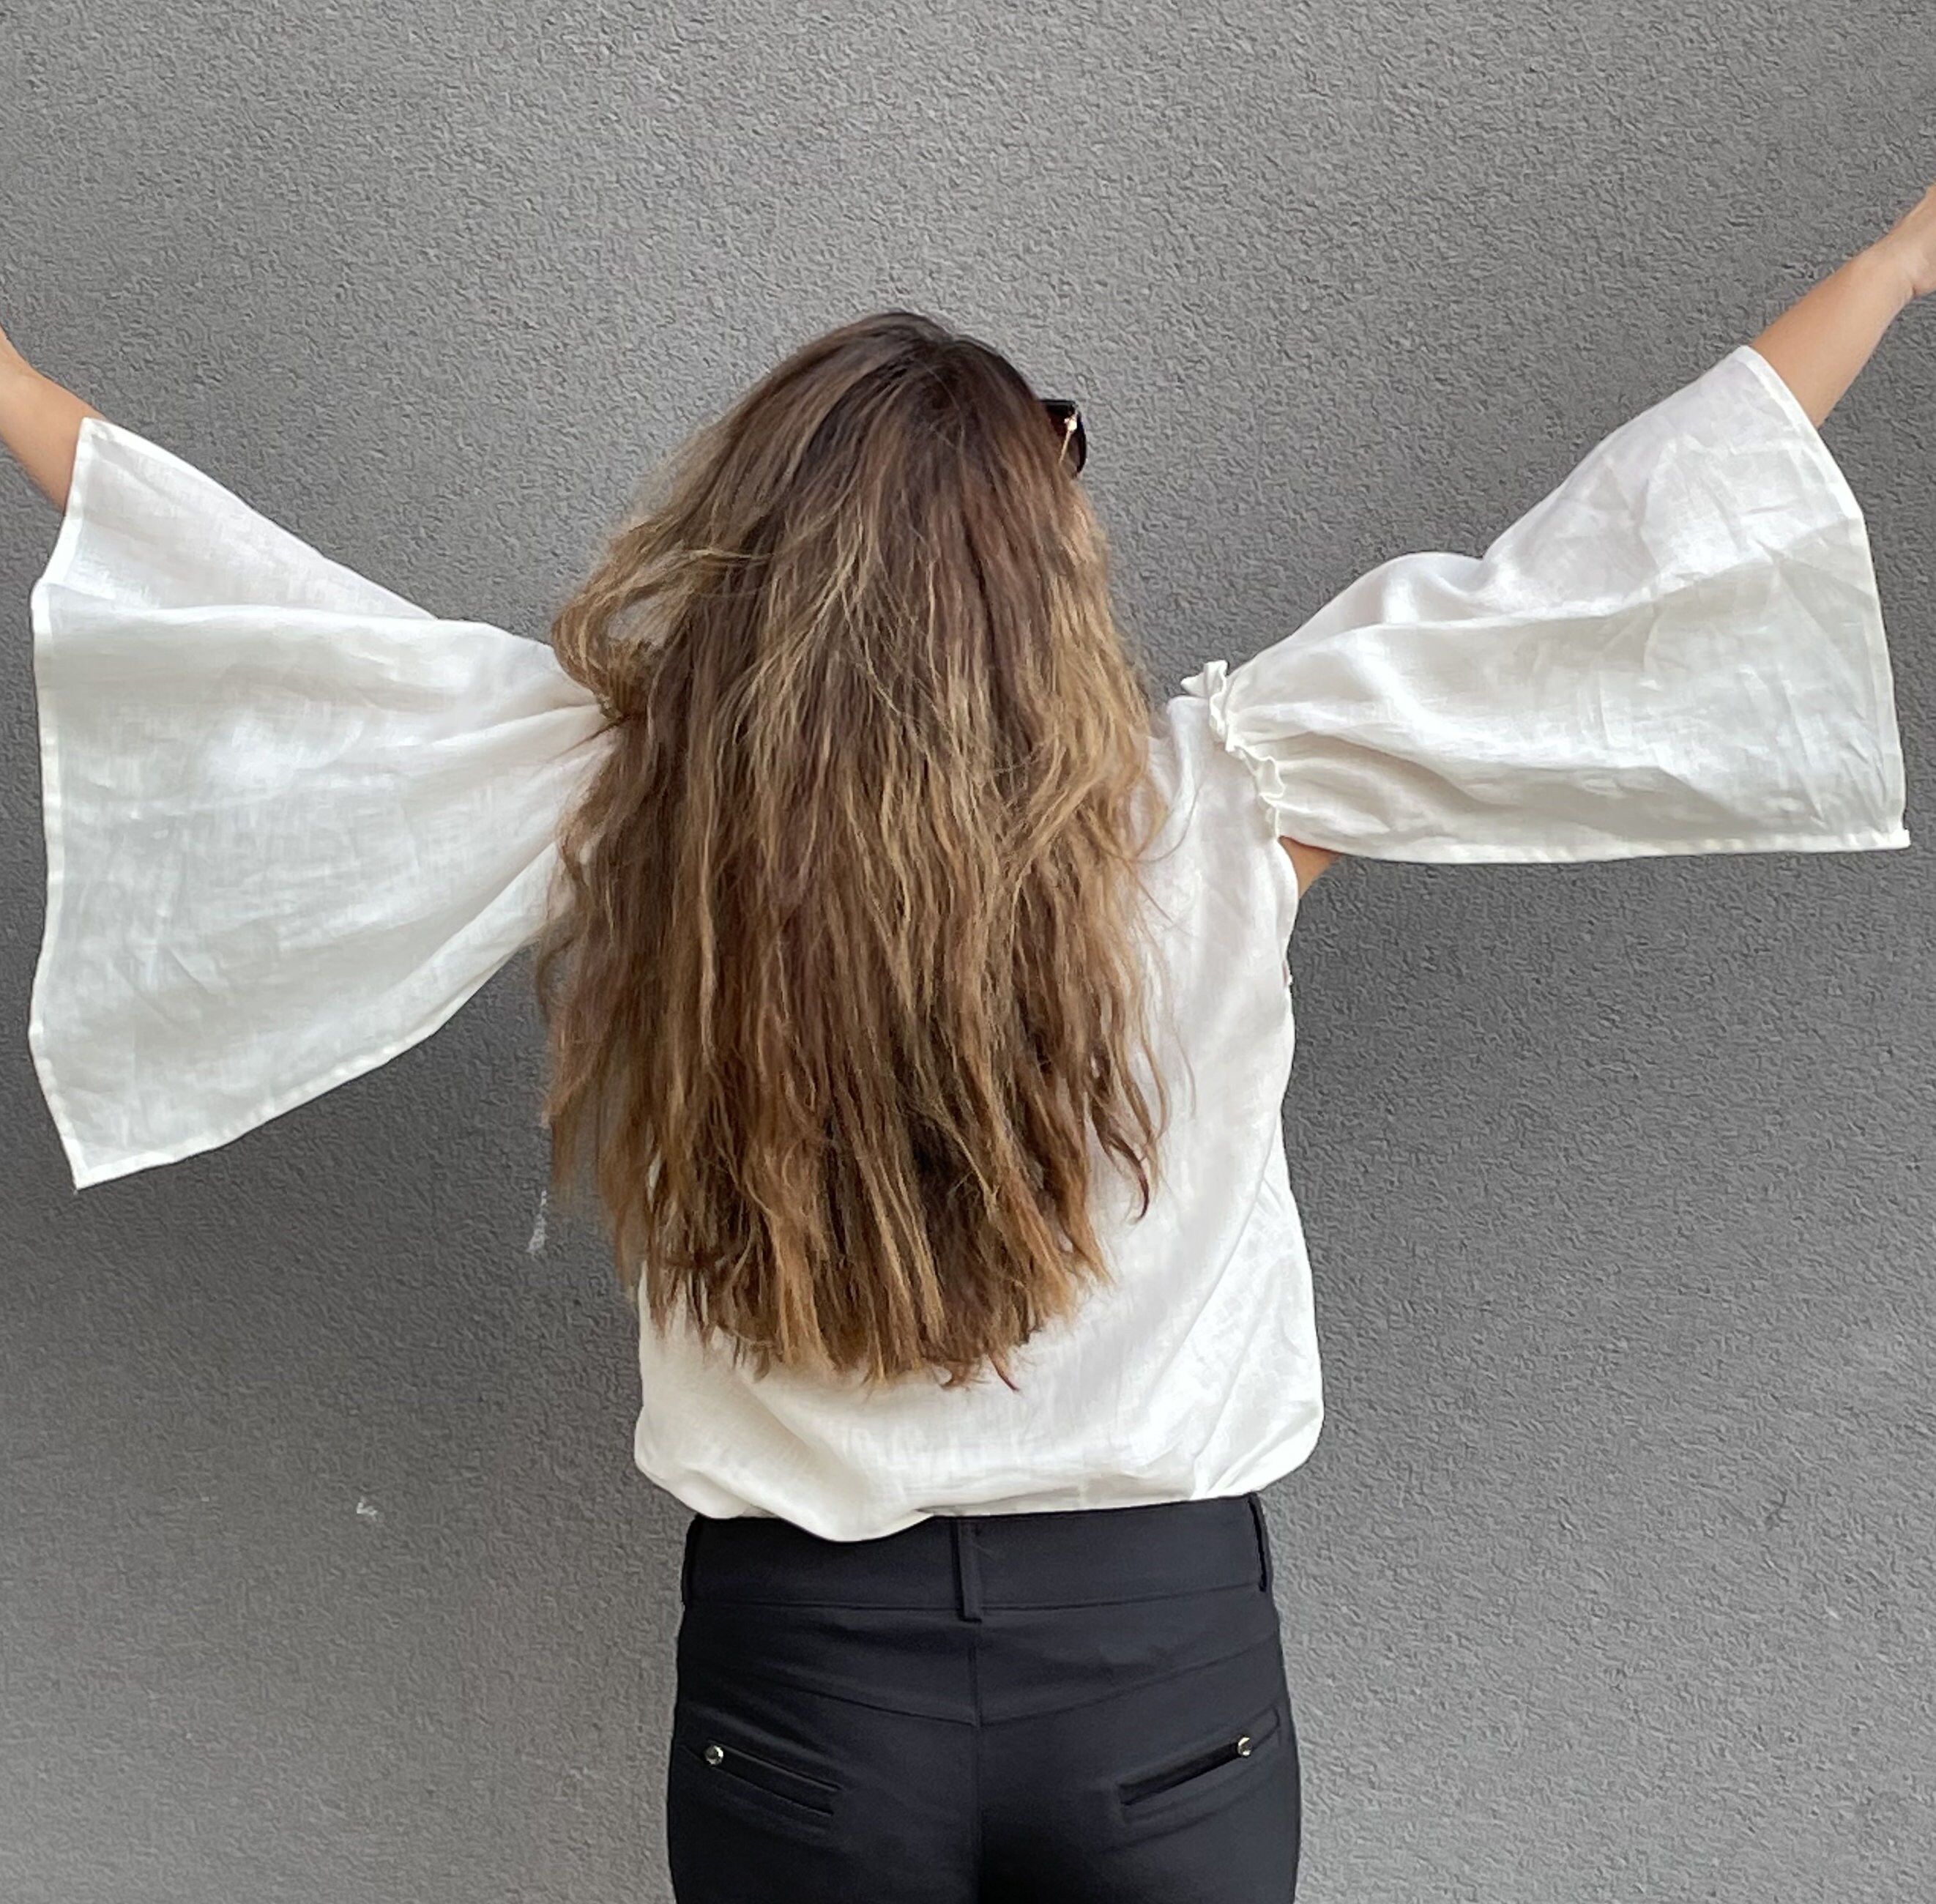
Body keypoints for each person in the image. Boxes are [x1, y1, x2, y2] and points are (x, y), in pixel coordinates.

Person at [5, 182, 1931, 1903]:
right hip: (1163, 1691)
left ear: (763, 564)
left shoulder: (632, 818)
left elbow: (284, 634)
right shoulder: (1229, 800)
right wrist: (1899, 257)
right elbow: (1596, 570)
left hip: (803, 1696)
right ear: (1043, 568)